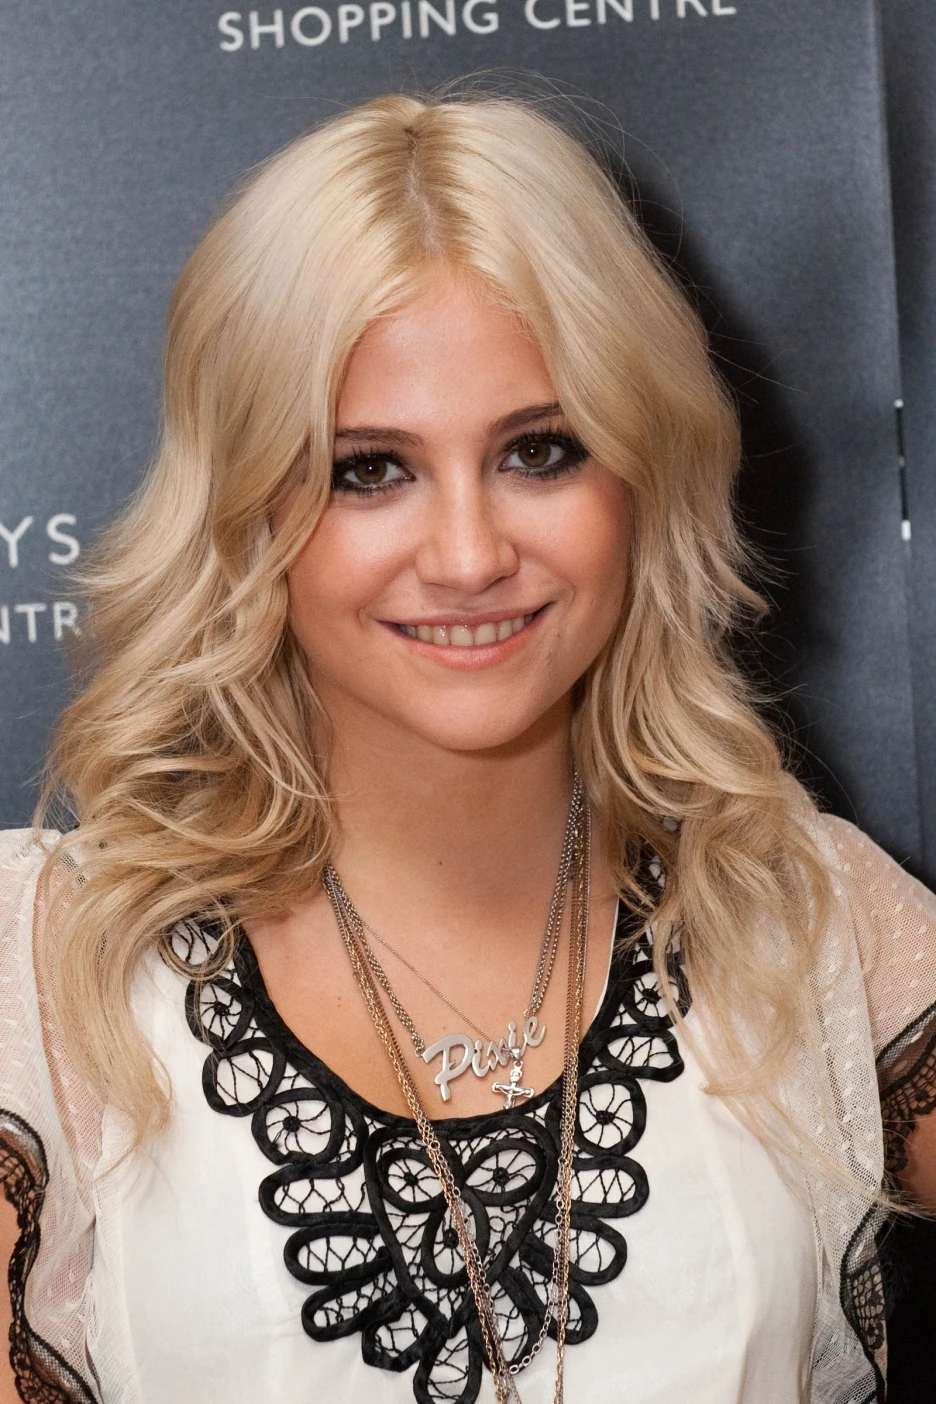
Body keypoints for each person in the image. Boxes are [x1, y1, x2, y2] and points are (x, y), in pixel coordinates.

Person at [0, 91, 933, 1404]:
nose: (468, 555)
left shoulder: (804, 913)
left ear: (640, 478)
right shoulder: (57, 966)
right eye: (369, 470)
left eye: (541, 452)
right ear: (246, 510)